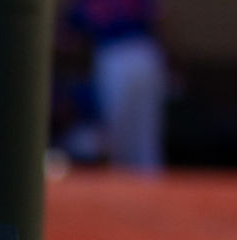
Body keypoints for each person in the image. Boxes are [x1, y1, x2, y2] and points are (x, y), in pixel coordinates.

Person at [63, 0, 167, 171]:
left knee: (146, 127)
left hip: (143, 49)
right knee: (116, 123)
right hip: (112, 53)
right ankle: (120, 178)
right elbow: (69, 33)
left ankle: (150, 178)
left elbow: (159, 18)